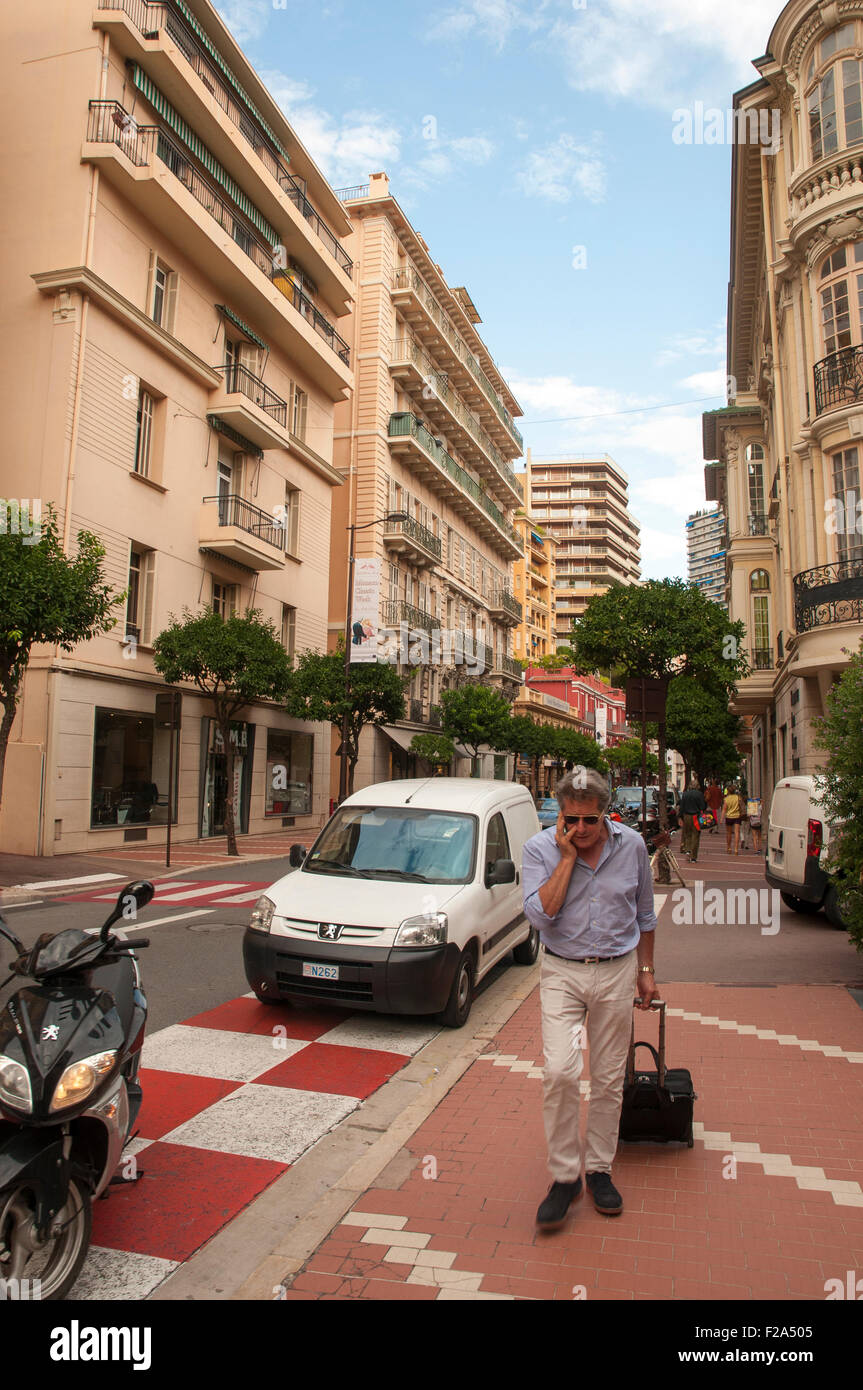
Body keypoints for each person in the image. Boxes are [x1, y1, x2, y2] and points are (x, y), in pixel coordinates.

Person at [522, 768, 660, 1230]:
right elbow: (541, 917)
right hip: (562, 970)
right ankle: (565, 1178)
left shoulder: (634, 846)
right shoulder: (540, 849)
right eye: (571, 820)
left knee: (605, 1077)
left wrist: (646, 972)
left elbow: (644, 913)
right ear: (560, 815)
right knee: (560, 1071)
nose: (580, 829)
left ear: (606, 814)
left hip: (617, 969)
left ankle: (599, 1169)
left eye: (589, 820)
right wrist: (565, 859)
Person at [679, 781, 707, 863]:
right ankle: (693, 857)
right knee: (695, 835)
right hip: (696, 816)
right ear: (697, 786)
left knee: (687, 834)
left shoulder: (685, 794)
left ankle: (688, 850)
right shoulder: (699, 794)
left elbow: (682, 807)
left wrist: (680, 817)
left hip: (686, 816)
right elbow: (703, 806)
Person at [723, 783, 744, 854]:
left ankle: (729, 848)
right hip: (737, 816)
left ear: (728, 791)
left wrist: (721, 818)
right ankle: (736, 849)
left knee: (728, 833)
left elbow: (724, 809)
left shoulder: (726, 799)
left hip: (729, 817)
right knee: (737, 833)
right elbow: (741, 806)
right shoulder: (738, 797)